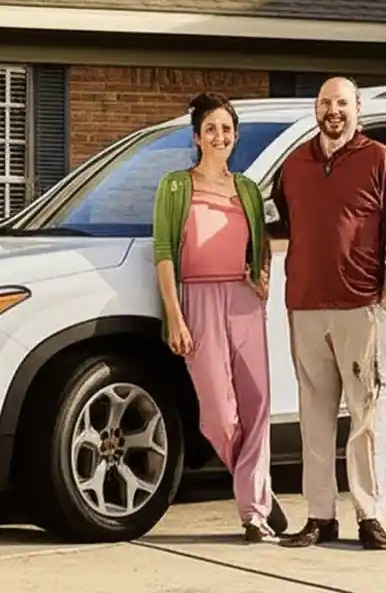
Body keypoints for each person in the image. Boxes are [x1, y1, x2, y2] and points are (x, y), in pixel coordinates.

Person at [270, 76, 386, 551]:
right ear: (315, 108)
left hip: (360, 308)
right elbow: (285, 227)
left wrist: (383, 308)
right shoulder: (294, 165)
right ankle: (320, 517)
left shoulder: (380, 161)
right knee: (315, 417)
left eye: (342, 103)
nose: (334, 111)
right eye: (326, 102)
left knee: (368, 417)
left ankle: (370, 515)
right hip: (305, 307)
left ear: (357, 107)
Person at [151, 91, 287, 543]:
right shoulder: (175, 186)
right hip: (199, 300)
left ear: (235, 136)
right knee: (218, 414)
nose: (219, 136)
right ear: (196, 137)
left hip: (245, 300)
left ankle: (253, 512)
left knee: (257, 404)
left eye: (226, 129)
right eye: (210, 128)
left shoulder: (248, 189)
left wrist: (262, 273)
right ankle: (257, 486)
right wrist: (174, 314)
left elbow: (263, 241)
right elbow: (165, 251)